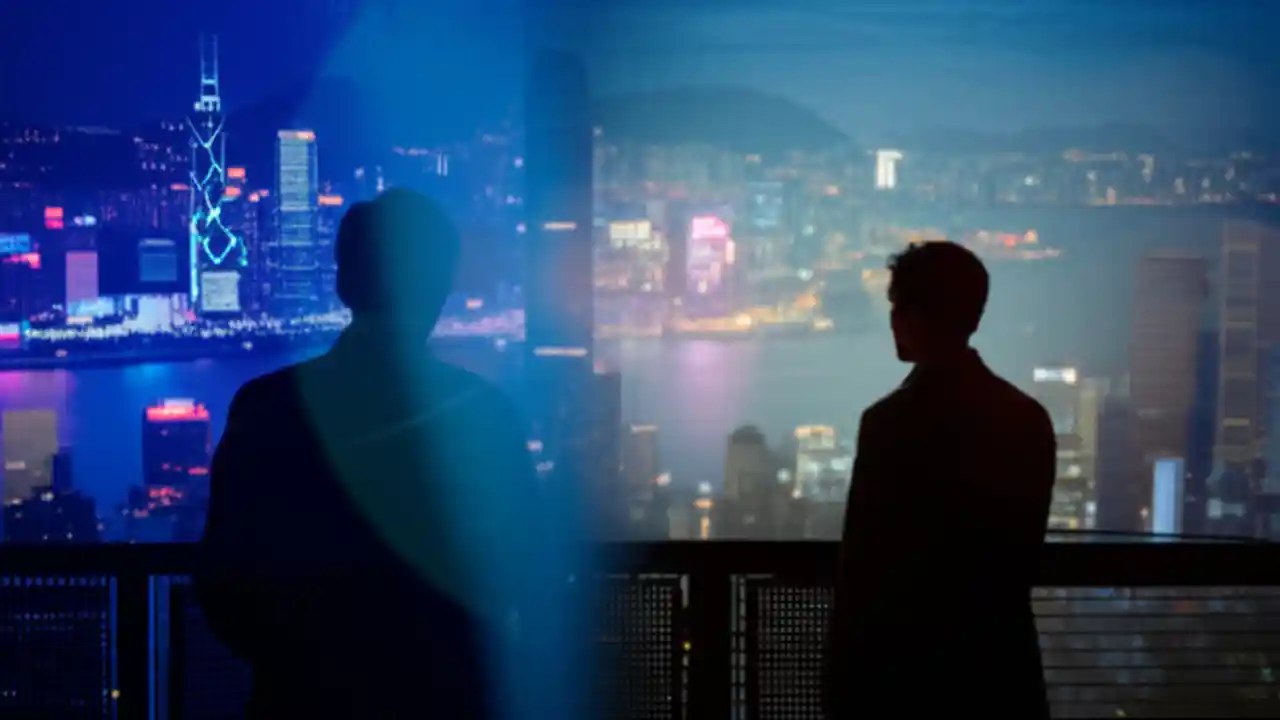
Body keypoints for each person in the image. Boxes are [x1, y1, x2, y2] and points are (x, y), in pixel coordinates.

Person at [196, 189, 572, 719]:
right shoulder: (483, 413)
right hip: (447, 697)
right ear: (439, 288)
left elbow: (224, 579)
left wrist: (296, 657)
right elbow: (525, 565)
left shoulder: (267, 407)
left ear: (343, 282)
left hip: (303, 699)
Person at [824, 241, 1056, 718]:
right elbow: (1021, 552)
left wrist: (841, 677)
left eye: (897, 307)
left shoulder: (890, 423)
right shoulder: (1028, 418)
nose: (892, 321)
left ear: (915, 316)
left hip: (903, 676)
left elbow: (864, 563)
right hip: (1000, 670)